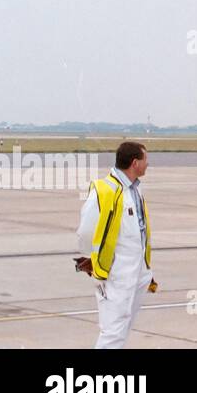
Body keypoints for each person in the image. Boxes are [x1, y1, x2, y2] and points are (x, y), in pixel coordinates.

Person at [76, 142, 155, 349]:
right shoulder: (105, 190)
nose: (148, 164)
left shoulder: (135, 189)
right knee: (112, 331)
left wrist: (145, 269)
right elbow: (85, 230)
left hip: (137, 274)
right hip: (115, 274)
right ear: (135, 162)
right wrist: (92, 260)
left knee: (122, 327)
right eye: (145, 159)